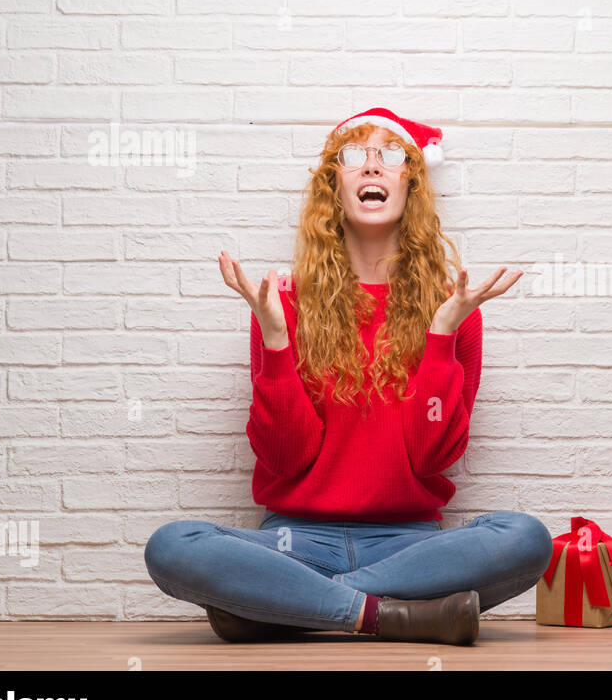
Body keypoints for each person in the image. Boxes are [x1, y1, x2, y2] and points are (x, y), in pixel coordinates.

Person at [143, 107, 553, 645]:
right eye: (355, 157)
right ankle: (388, 616)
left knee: (524, 537)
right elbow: (284, 457)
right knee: (173, 545)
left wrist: (442, 335)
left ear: (412, 183)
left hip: (409, 547)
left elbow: (435, 456)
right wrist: (274, 342)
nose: (372, 168)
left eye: (389, 157)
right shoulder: (282, 303)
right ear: (333, 187)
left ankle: (283, 603)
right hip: (293, 542)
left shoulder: (454, 309)